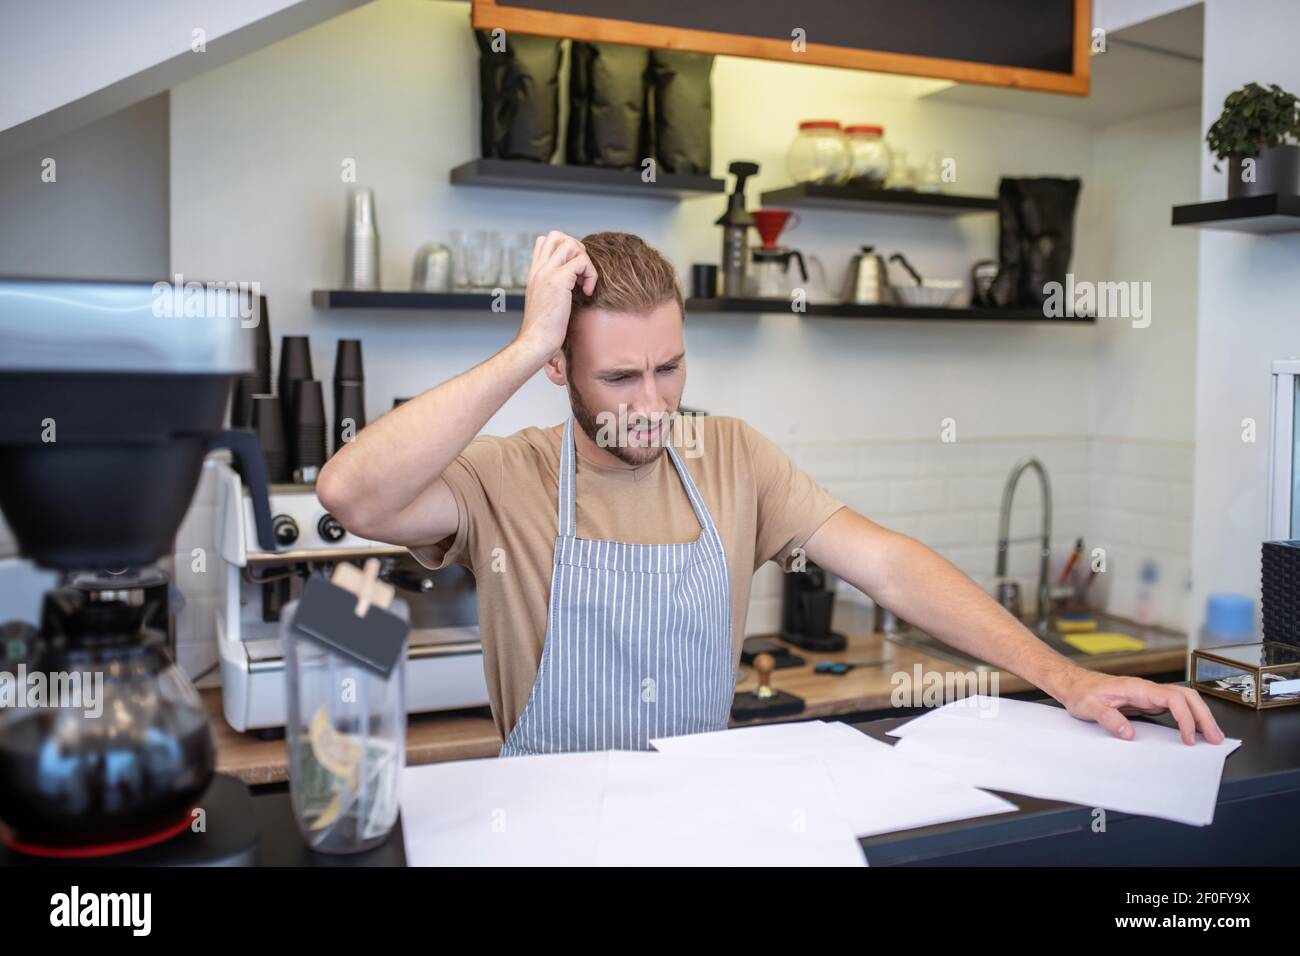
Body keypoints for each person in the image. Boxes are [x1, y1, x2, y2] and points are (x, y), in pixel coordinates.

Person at [317, 230, 1224, 755]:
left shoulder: (733, 458)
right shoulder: (506, 475)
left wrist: (1066, 679)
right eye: (618, 377)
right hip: (553, 834)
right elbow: (351, 495)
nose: (652, 404)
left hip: (707, 823)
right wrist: (521, 348)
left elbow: (889, 567)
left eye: (669, 368)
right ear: (560, 369)